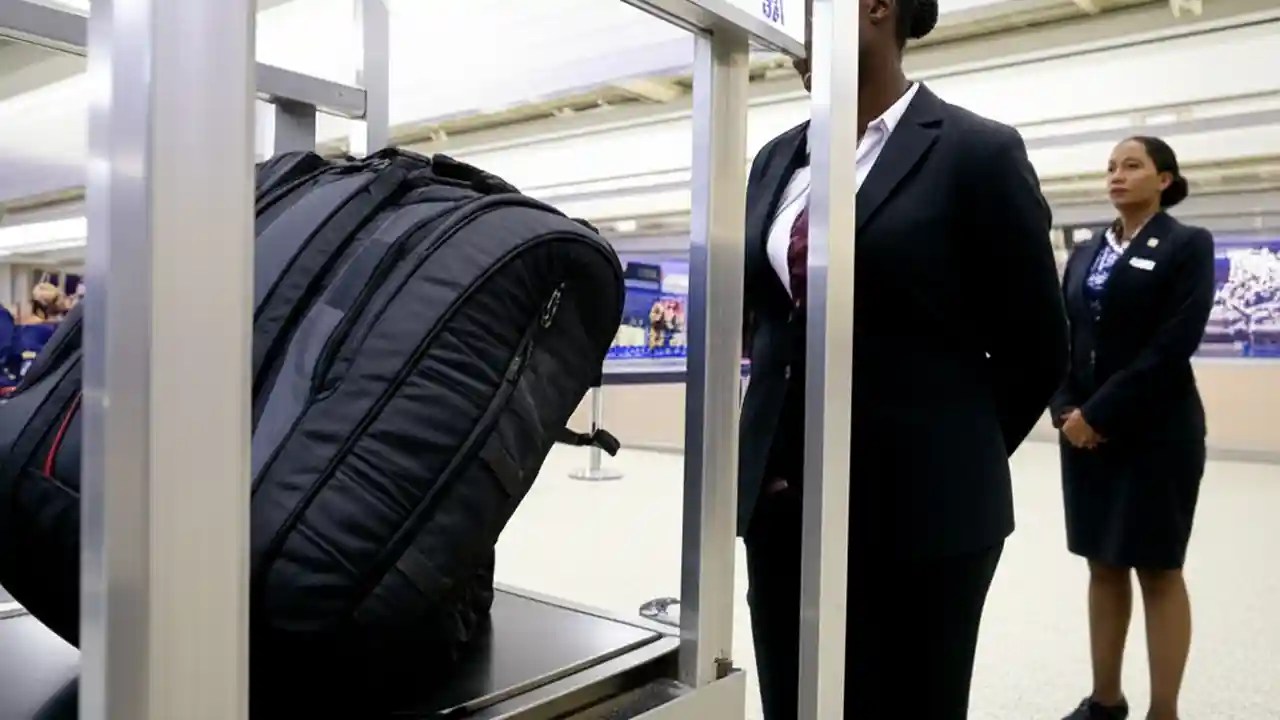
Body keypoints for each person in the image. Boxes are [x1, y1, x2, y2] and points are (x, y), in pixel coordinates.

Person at [737, 0, 1069, 717]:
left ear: (878, 8)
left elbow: (1038, 345)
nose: (794, 30)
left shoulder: (975, 152)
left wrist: (948, 453)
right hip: (783, 509)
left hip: (923, 519)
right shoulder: (776, 159)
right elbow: (767, 319)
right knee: (793, 701)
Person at [1051, 137, 1214, 720]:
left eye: (1132, 166)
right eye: (1111, 167)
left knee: (1159, 567)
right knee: (1103, 563)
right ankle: (1105, 700)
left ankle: (1162, 711)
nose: (1117, 176)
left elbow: (1172, 344)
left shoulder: (1186, 245)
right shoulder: (1088, 250)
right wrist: (1068, 409)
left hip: (1156, 431)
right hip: (1085, 435)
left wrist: (1099, 413)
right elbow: (1065, 337)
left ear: (1164, 179)